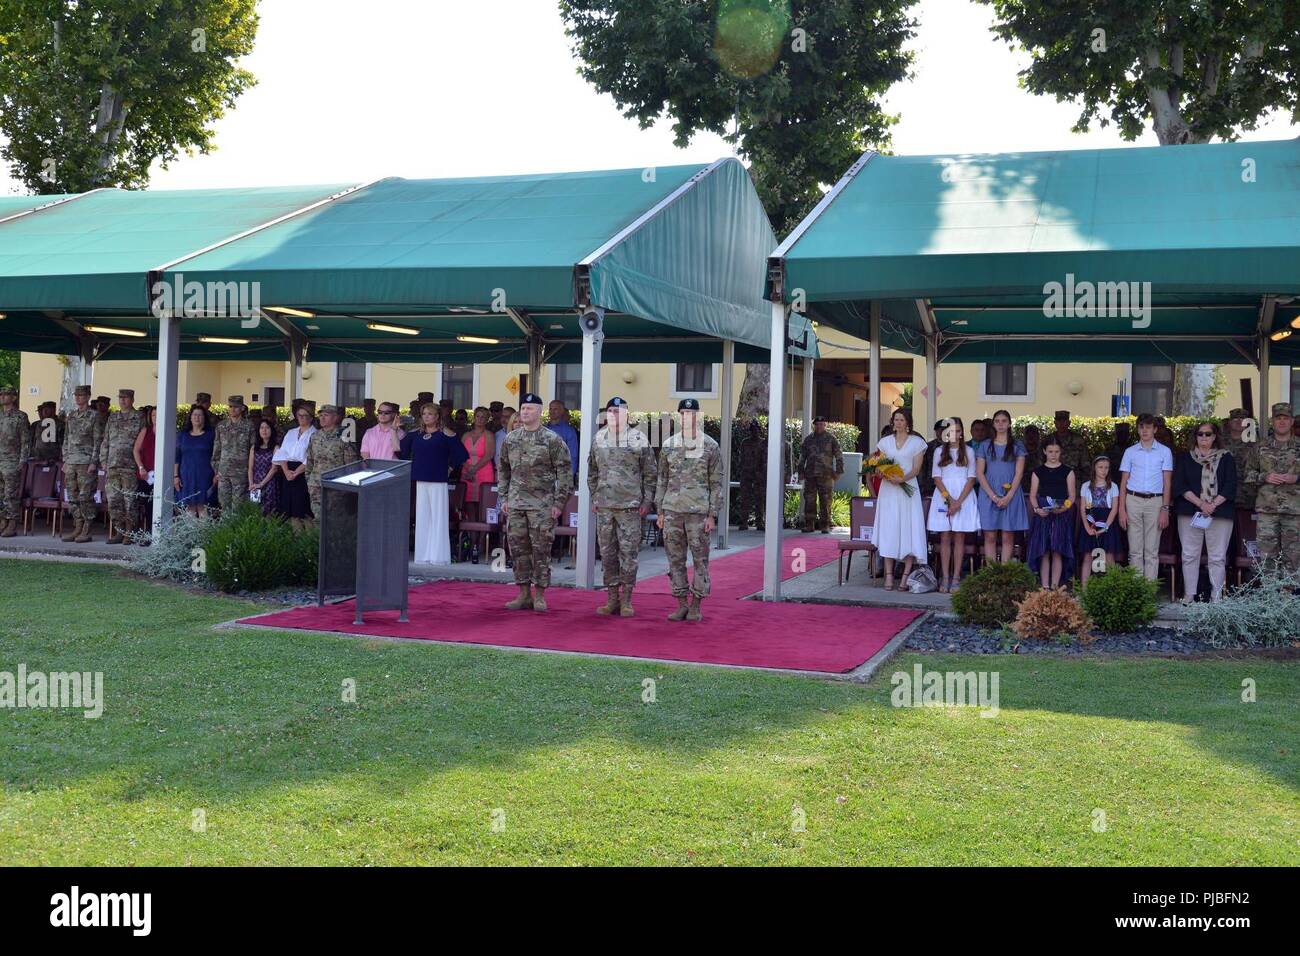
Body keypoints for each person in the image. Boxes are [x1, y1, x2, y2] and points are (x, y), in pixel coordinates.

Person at [498, 393, 572, 611]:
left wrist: (559, 503)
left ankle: (540, 594)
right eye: (522, 408)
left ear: (540, 412)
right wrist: (504, 497)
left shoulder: (552, 440)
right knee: (518, 550)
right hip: (517, 504)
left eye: (529, 408)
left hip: (542, 506)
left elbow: (565, 473)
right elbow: (503, 470)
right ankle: (523, 594)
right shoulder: (511, 439)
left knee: (541, 550)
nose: (524, 412)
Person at [656, 398, 723, 621]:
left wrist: (712, 514)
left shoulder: (710, 445)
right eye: (683, 413)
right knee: (675, 559)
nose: (687, 417)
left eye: (691, 413)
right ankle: (681, 603)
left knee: (700, 560)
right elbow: (662, 480)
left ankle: (696, 605)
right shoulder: (669, 445)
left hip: (698, 513)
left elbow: (716, 483)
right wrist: (661, 511)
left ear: (698, 416)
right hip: (672, 510)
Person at [588, 396, 656, 617]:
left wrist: (647, 501)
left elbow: (650, 473)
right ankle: (612, 598)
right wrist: (594, 498)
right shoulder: (599, 438)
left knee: (628, 554)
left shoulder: (638, 438)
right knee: (607, 554)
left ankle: (626, 599)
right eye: (610, 410)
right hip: (605, 506)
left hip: (630, 507)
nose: (613, 414)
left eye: (618, 411)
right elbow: (592, 472)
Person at [1172, 421, 1237, 603]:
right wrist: (1201, 504)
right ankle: (1189, 594)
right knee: (1189, 555)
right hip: (1190, 512)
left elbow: (1230, 486)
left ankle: (1216, 596)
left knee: (1217, 557)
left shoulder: (1226, 458)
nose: (1204, 438)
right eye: (1200, 434)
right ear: (1196, 436)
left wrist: (1212, 505)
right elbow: (1179, 485)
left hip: (1220, 512)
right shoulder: (1185, 458)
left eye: (1208, 434)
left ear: (1215, 436)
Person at [399, 403, 468, 564]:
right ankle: (422, 555)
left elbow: (461, 455)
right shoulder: (416, 434)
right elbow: (400, 450)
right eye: (424, 414)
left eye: (430, 414)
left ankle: (438, 556)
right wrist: (395, 430)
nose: (427, 416)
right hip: (421, 478)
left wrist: (449, 468)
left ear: (437, 416)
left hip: (438, 480)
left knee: (438, 518)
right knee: (422, 517)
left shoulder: (446, 434)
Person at [874, 408, 928, 590]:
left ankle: (905, 577)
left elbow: (916, 468)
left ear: (908, 422)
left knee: (908, 529)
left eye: (902, 420)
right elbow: (877, 465)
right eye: (896, 419)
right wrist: (883, 474)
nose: (898, 423)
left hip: (907, 490)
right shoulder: (884, 442)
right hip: (888, 490)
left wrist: (902, 478)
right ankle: (888, 576)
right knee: (890, 530)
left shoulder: (917, 442)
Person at [1118, 413, 1174, 581]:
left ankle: (1148, 593)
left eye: (1148, 427)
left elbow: (1167, 482)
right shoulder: (1130, 452)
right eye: (1141, 427)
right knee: (1135, 550)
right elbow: (1123, 482)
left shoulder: (1164, 452)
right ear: (1137, 429)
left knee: (1151, 550)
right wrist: (1121, 509)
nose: (1144, 430)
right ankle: (1137, 592)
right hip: (1133, 499)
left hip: (1155, 501)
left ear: (1155, 429)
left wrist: (1165, 508)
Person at [1245, 403, 1299, 573]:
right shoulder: (1260, 447)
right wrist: (1264, 477)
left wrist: (1297, 477)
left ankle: (1290, 597)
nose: (1282, 422)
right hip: (1267, 511)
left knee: (1294, 557)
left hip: (1295, 511)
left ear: (1291, 422)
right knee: (1267, 556)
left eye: (1286, 418)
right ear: (1272, 422)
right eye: (1278, 418)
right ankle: (1271, 595)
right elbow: (1247, 474)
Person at [928, 417, 979, 592]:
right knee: (945, 537)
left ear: (962, 433)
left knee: (959, 537)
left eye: (958, 431)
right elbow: (937, 477)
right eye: (950, 431)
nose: (954, 435)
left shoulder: (970, 452)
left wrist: (958, 502)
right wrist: (949, 500)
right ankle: (945, 577)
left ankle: (956, 577)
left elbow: (972, 478)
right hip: (944, 495)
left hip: (964, 496)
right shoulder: (939, 451)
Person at [975, 409, 1028, 563]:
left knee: (1007, 535)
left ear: (1010, 424)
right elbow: (980, 472)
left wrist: (1008, 496)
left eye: (1004, 421)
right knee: (990, 535)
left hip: (1011, 493)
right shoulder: (985, 445)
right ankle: (991, 574)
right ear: (993, 424)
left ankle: (1004, 574)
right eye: (997, 421)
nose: (1000, 424)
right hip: (988, 493)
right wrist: (993, 495)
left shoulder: (1017, 445)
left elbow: (1019, 473)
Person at [1027, 434, 1077, 589]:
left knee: (1057, 550)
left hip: (1061, 515)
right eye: (1050, 451)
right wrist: (1037, 509)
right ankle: (1045, 586)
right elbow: (1033, 495)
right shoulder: (1038, 471)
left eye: (1056, 451)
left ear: (1060, 452)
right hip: (1042, 514)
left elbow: (1072, 496)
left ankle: (1055, 586)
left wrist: (1063, 508)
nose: (1053, 455)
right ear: (1044, 451)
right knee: (1044, 551)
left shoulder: (1068, 471)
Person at [98, 388, 144, 543]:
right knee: (114, 500)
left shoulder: (139, 417)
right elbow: (106, 440)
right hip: (112, 465)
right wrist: (103, 460)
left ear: (132, 399)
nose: (123, 400)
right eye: (121, 398)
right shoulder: (113, 417)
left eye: (126, 398)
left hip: (130, 465)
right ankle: (119, 531)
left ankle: (130, 533)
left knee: (129, 500)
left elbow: (142, 442)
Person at [60, 385, 103, 543]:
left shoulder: (94, 416)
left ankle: (87, 528)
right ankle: (77, 525)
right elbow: (66, 439)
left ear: (88, 396)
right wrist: (65, 459)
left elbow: (98, 441)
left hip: (86, 462)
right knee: (72, 496)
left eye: (81, 395)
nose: (78, 398)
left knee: (85, 496)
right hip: (71, 461)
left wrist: (94, 462)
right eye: (76, 395)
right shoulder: (71, 416)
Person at [304, 405, 360, 522]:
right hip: (316, 485)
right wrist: (309, 480)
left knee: (334, 521)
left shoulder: (344, 436)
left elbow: (351, 464)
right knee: (318, 519)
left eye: (326, 415)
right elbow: (310, 460)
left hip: (335, 487)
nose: (322, 418)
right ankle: (316, 540)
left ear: (335, 418)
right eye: (321, 415)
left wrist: (346, 487)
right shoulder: (315, 436)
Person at [1078, 455, 1122, 587]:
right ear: (1094, 468)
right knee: (1088, 556)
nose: (1104, 470)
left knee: (1109, 556)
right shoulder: (1086, 486)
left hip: (1107, 521)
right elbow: (1082, 508)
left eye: (1106, 467)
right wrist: (1087, 527)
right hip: (1091, 520)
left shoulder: (1113, 486)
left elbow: (1114, 509)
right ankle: (1084, 590)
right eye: (1100, 467)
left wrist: (1106, 527)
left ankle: (1114, 588)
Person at [274, 404, 317, 527]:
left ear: (311, 418)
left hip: (303, 473)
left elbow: (311, 457)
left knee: (302, 508)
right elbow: (282, 452)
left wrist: (296, 472)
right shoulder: (291, 432)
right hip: (287, 471)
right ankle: (294, 536)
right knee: (289, 507)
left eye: (305, 415)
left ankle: (306, 537)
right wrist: (286, 471)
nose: (302, 418)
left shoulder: (314, 434)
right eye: (300, 415)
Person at [799, 416, 844, 533]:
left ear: (825, 425)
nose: (819, 426)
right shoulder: (808, 439)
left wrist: (839, 471)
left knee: (826, 500)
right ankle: (809, 524)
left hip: (826, 475)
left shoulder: (831, 439)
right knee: (809, 499)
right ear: (814, 425)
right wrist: (800, 471)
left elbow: (839, 455)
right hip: (810, 475)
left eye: (821, 424)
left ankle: (825, 525)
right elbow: (802, 456)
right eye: (817, 424)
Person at [211, 395, 255, 514]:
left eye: (236, 407)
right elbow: (217, 449)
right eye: (230, 406)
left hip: (241, 473)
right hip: (224, 473)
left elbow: (253, 448)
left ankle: (236, 531)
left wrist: (250, 471)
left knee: (238, 507)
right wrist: (217, 470)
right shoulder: (221, 426)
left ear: (242, 408)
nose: (233, 409)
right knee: (224, 505)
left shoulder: (249, 426)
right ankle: (225, 531)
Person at [0, 385, 31, 538]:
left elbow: (25, 440)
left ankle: (12, 523)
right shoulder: (0, 416)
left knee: (10, 494)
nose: (3, 397)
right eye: (2, 394)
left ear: (13, 397)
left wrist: (22, 461)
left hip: (12, 461)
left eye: (6, 394)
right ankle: (2, 520)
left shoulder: (20, 416)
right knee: (0, 494)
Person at [175, 406, 216, 518]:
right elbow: (177, 457)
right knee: (189, 507)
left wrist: (216, 474)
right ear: (190, 418)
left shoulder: (211, 435)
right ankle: (190, 535)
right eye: (195, 415)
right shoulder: (182, 436)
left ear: (204, 418)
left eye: (200, 415)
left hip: (205, 475)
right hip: (186, 476)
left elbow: (216, 455)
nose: (197, 417)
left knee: (204, 507)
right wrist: (176, 476)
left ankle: (204, 535)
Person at [460, 406, 497, 514]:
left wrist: (473, 469)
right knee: (468, 502)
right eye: (478, 416)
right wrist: (468, 469)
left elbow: (489, 455)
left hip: (483, 471)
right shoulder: (466, 435)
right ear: (474, 417)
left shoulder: (489, 435)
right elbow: (460, 454)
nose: (480, 419)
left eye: (483, 417)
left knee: (483, 502)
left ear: (487, 420)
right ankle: (471, 530)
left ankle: (482, 530)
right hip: (467, 470)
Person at [1221, 408, 1256, 511]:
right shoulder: (1219, 442)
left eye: (1242, 418)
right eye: (1235, 418)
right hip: (1223, 493)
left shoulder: (1255, 443)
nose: (1239, 421)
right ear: (1229, 422)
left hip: (1247, 495)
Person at [736, 418, 767, 531]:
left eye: (756, 430)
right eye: (752, 430)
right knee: (745, 499)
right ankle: (744, 522)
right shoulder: (745, 442)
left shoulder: (763, 443)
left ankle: (760, 522)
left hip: (759, 475)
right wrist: (741, 470)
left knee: (760, 499)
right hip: (746, 474)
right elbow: (741, 458)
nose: (755, 432)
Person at [248, 418, 282, 517]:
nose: (264, 430)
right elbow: (250, 467)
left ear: (271, 430)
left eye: (267, 428)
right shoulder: (254, 447)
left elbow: (274, 468)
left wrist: (261, 484)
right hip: (255, 482)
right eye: (262, 428)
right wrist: (251, 484)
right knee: (255, 511)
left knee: (269, 512)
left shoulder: (276, 448)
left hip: (269, 482)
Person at [132, 405, 157, 536]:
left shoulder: (169, 431)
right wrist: (141, 467)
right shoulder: (145, 431)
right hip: (146, 475)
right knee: (147, 504)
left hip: (161, 474)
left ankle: (157, 532)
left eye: (158, 415)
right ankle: (146, 533)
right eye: (153, 415)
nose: (155, 418)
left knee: (157, 503)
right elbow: (136, 450)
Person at [1052, 410, 1090, 486]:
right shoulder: (1048, 440)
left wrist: (1087, 483)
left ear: (1069, 423)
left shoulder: (1078, 440)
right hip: (1053, 480)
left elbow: (1085, 464)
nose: (1061, 424)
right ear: (1055, 423)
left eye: (1064, 421)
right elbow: (1041, 462)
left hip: (1075, 481)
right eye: (1059, 421)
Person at [546, 400, 580, 479]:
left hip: (561, 476)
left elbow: (573, 456)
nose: (552, 411)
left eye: (555, 409)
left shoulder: (569, 431)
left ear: (562, 411)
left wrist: (569, 477)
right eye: (550, 409)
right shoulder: (543, 428)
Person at [918, 420, 944, 499]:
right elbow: (923, 467)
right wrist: (923, 485)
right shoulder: (928, 447)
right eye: (940, 430)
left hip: (947, 482)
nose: (943, 432)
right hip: (930, 484)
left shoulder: (953, 446)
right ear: (936, 431)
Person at [1020, 423, 1042, 492]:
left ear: (1037, 436)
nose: (1031, 436)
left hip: (1040, 487)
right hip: (1023, 487)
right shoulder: (1019, 451)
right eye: (1028, 434)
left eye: (1033, 433)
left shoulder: (1044, 451)